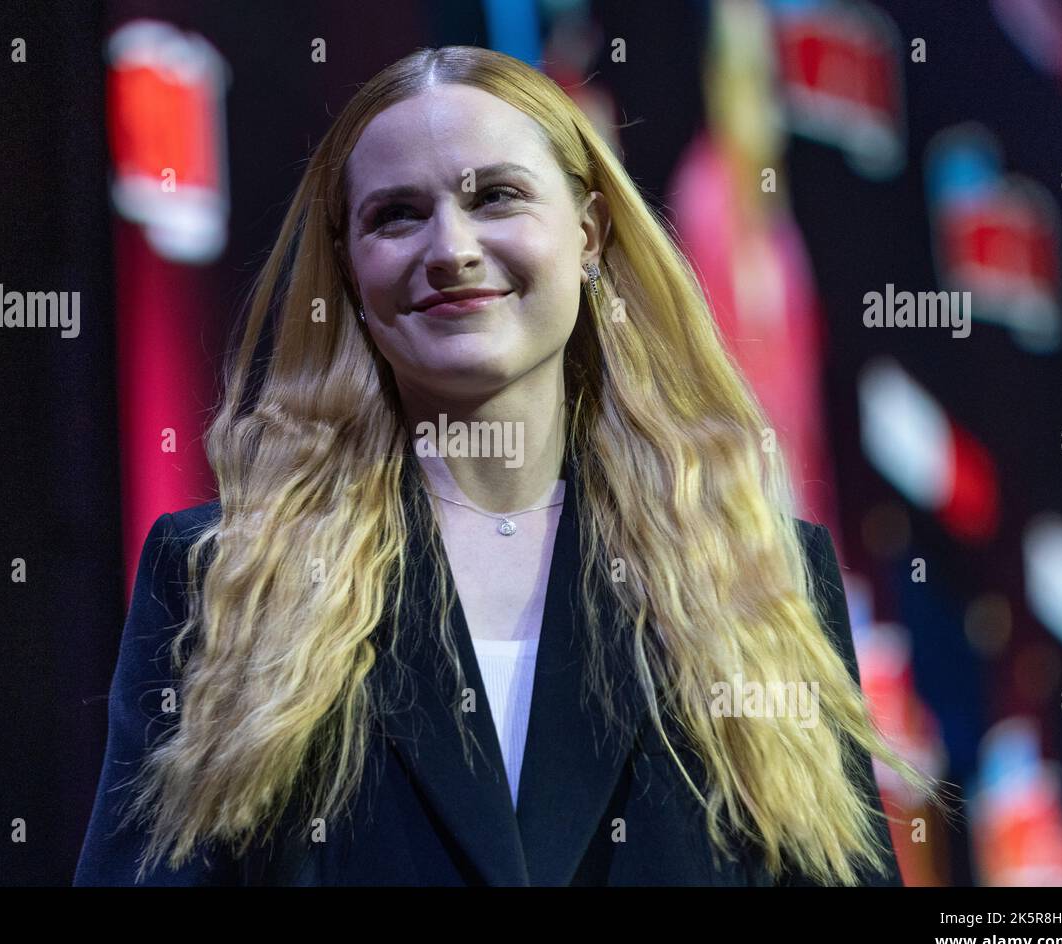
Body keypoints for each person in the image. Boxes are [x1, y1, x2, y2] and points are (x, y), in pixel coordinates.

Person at [74, 45, 940, 887]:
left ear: (591, 233)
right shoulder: (221, 577)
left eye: (496, 197)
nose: (450, 248)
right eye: (396, 215)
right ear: (348, 268)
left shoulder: (761, 573)